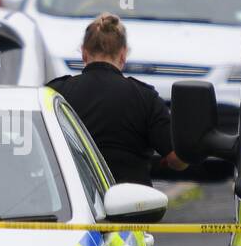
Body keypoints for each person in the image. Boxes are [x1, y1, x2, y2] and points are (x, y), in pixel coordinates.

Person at [48, 12, 187, 186]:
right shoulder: (145, 97)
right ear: (123, 54)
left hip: (73, 203)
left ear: (84, 53)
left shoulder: (55, 93)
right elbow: (177, 159)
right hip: (134, 205)